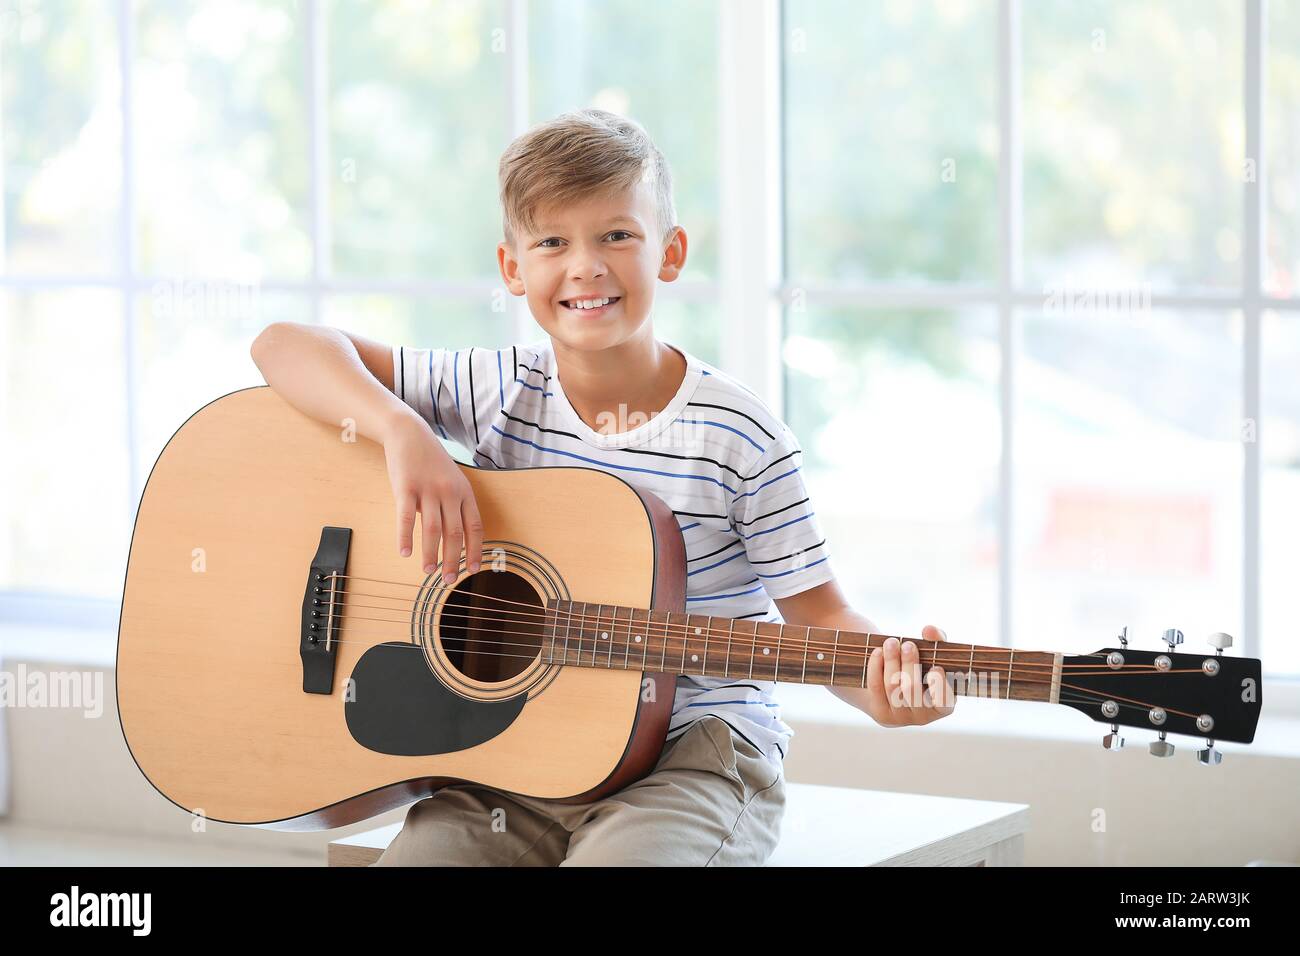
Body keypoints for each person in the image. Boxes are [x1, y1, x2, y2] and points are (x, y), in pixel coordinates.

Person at [250, 108, 956, 866]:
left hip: (693, 760)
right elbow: (283, 345)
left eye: (617, 235)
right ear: (513, 268)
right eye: (553, 241)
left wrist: (882, 693)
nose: (585, 266)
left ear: (671, 252)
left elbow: (823, 616)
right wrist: (402, 431)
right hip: (513, 757)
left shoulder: (741, 438)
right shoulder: (495, 389)